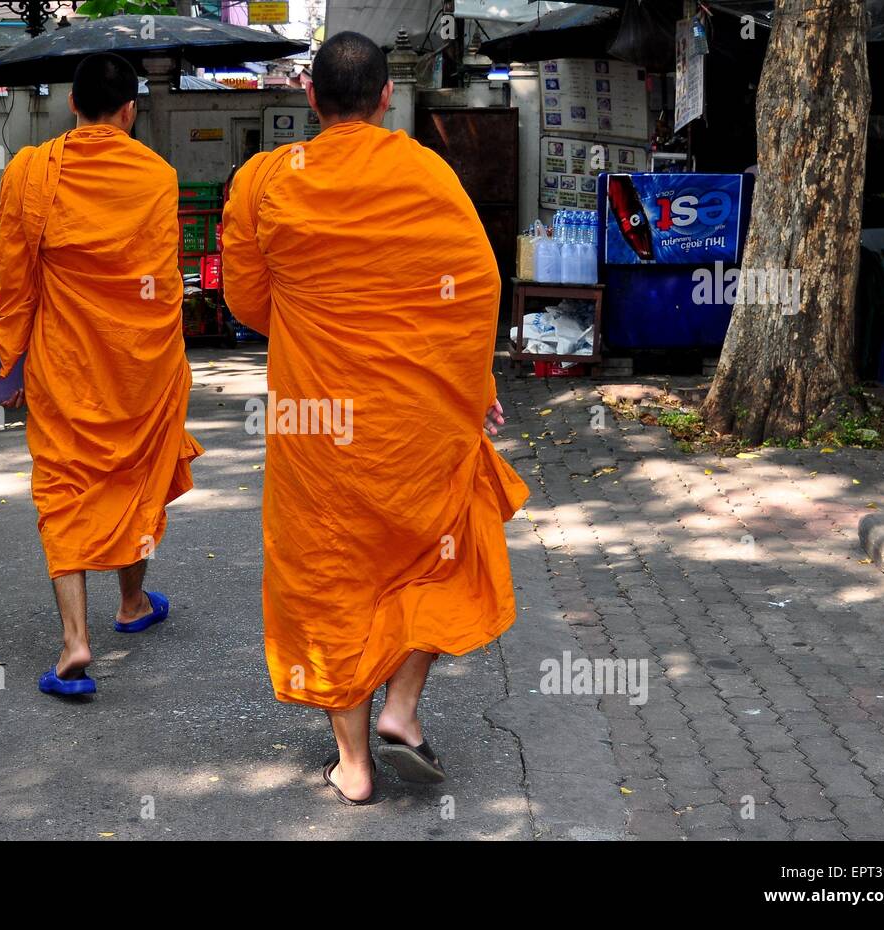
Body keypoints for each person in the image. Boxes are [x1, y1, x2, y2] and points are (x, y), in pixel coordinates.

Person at [221, 31, 529, 804]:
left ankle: (353, 766)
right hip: (412, 419)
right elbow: (477, 284)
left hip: (315, 418)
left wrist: (307, 312)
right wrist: (473, 378)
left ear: (310, 98)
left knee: (327, 572)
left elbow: (245, 298)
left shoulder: (266, 180)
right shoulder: (426, 171)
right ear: (387, 98)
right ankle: (402, 706)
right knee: (443, 546)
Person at [0, 53, 203, 698]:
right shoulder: (157, 176)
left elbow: (13, 275)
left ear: (72, 105)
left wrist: (8, 351)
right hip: (140, 362)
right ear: (131, 110)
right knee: (133, 471)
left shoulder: (31, 170)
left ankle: (76, 642)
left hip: (67, 363)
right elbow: (165, 280)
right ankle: (132, 603)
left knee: (66, 486)